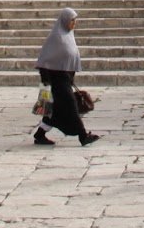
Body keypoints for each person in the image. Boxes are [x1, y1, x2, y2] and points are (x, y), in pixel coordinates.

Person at [33, 8, 100, 147]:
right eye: (72, 20)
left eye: (75, 20)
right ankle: (83, 136)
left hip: (65, 79)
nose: (74, 23)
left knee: (54, 112)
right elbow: (45, 59)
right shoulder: (56, 37)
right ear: (64, 21)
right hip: (55, 81)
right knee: (71, 107)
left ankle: (40, 135)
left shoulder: (69, 35)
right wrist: (47, 83)